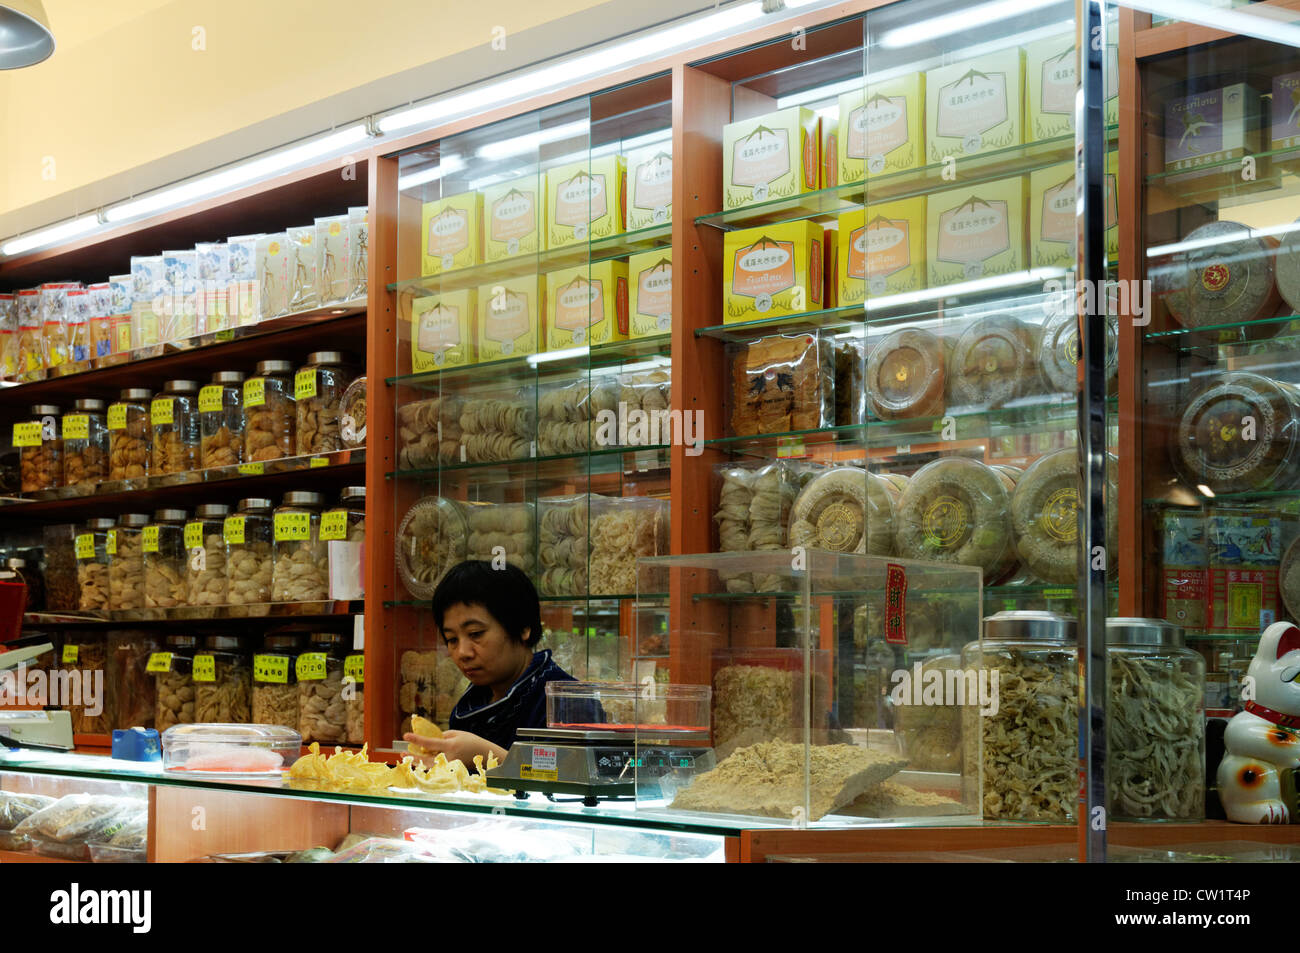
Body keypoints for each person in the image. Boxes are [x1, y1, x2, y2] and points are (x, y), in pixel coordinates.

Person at [402, 560, 576, 766]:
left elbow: (574, 778)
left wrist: (491, 758)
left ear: (523, 627)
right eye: (452, 639)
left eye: (476, 634)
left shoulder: (568, 702)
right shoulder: (468, 706)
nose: (462, 652)